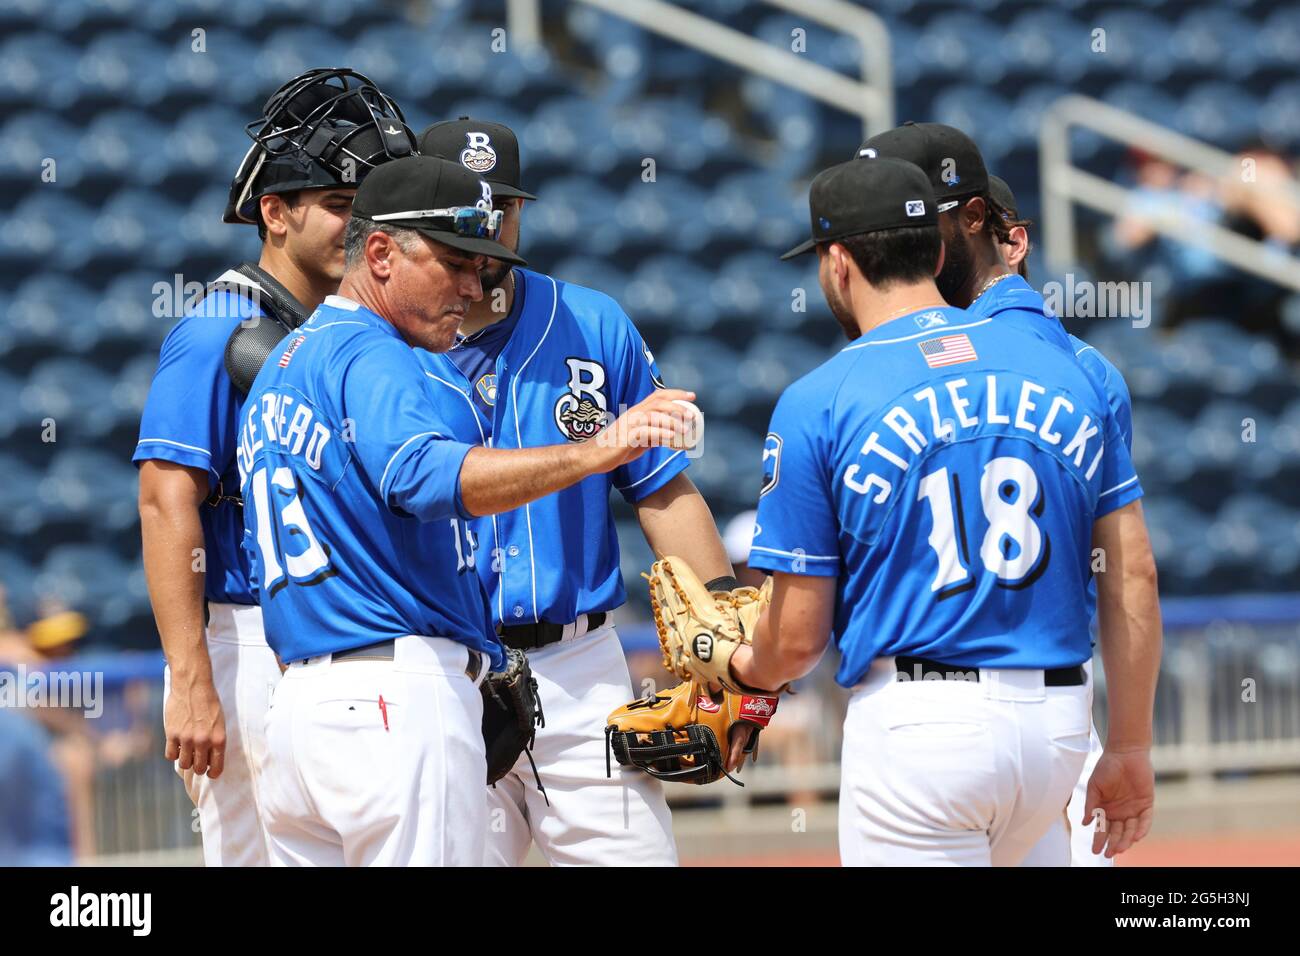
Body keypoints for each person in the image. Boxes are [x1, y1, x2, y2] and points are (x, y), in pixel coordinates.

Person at [241, 154, 696, 866]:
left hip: (301, 709)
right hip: (394, 697)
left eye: (478, 265)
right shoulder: (376, 357)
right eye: (453, 263)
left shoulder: (283, 365)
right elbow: (424, 476)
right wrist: (594, 452)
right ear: (382, 253)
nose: (470, 284)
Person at [726, 156, 1162, 866]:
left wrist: (745, 671)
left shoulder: (820, 397)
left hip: (922, 729)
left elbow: (799, 639)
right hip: (1058, 726)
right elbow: (1133, 572)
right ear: (933, 250)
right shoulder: (1066, 367)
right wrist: (1133, 745)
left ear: (838, 263)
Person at [417, 118, 736, 867]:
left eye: (503, 206)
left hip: (578, 665)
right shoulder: (386, 343)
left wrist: (726, 636)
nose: (488, 226)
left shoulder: (593, 323)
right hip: (442, 665)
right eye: (465, 210)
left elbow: (663, 489)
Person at [134, 68, 415, 866]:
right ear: (275, 212)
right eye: (337, 205)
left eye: (368, 210)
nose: (357, 226)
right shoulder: (218, 323)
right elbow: (164, 500)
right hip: (244, 639)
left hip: (332, 641)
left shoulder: (349, 329)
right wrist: (191, 676)